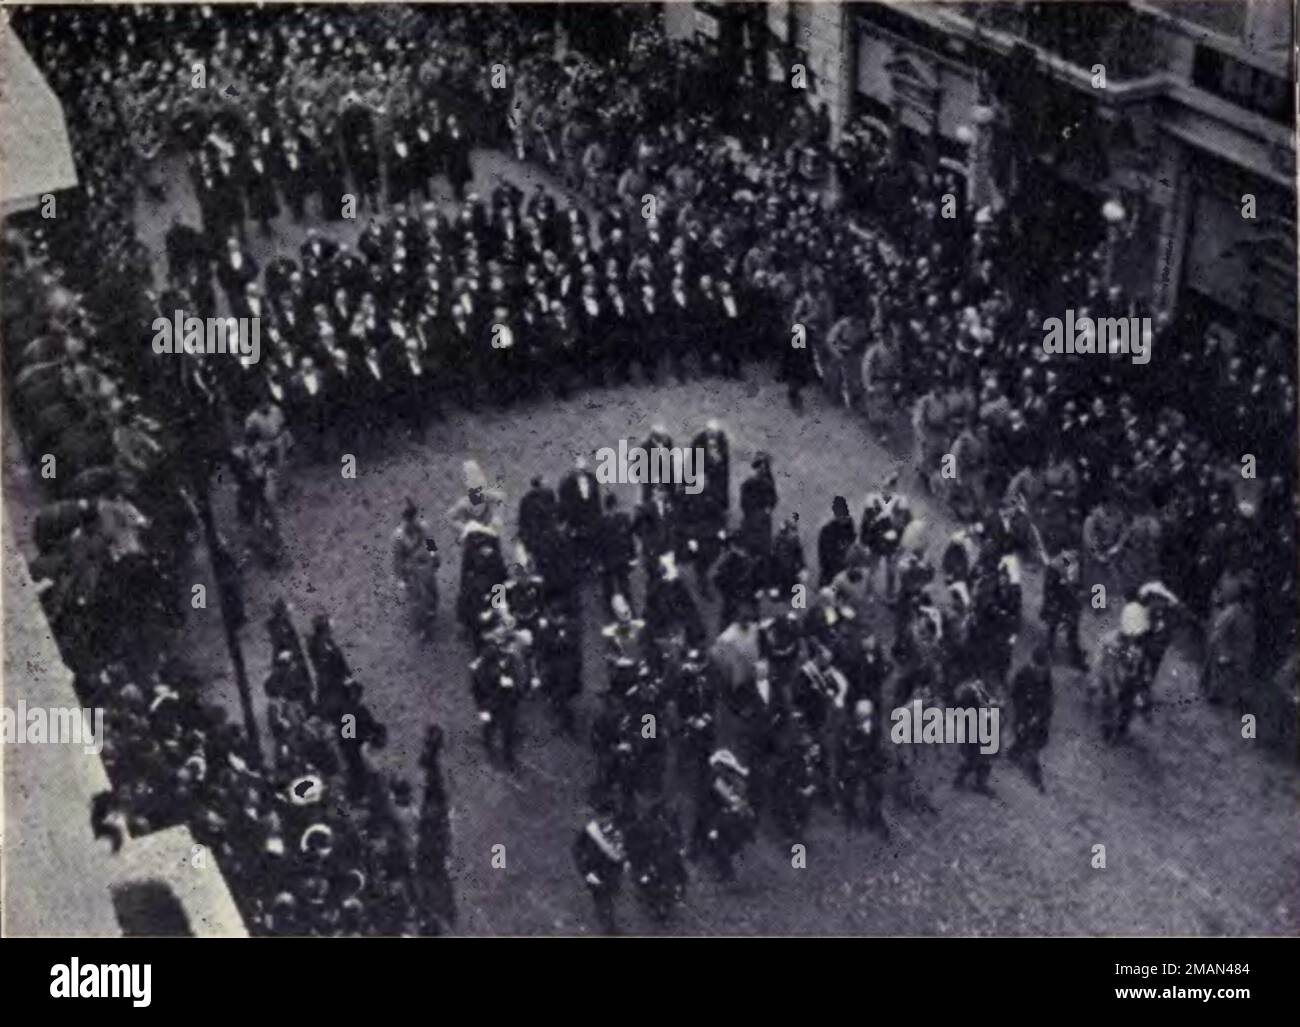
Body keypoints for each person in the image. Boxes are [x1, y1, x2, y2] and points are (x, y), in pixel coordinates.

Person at [573, 813, 628, 935]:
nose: (605, 819)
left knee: (611, 898)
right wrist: (586, 871)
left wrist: (624, 861)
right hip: (596, 872)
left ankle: (611, 924)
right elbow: (577, 850)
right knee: (603, 900)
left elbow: (622, 848)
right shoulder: (590, 831)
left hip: (612, 872)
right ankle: (609, 928)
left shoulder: (617, 829)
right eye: (603, 816)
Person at [1009, 646, 1053, 792]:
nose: (1041, 672)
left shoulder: (1046, 675)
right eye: (1038, 667)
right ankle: (1032, 772)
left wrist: (1041, 714)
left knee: (1035, 743)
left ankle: (1022, 755)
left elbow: (1048, 696)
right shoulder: (1023, 674)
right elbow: (1016, 697)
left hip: (1039, 715)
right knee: (1024, 737)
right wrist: (1023, 717)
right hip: (1025, 713)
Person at [817, 495, 855, 587]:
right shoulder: (827, 532)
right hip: (832, 572)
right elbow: (827, 559)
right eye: (843, 517)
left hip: (845, 567)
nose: (845, 519)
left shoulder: (849, 525)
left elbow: (852, 542)